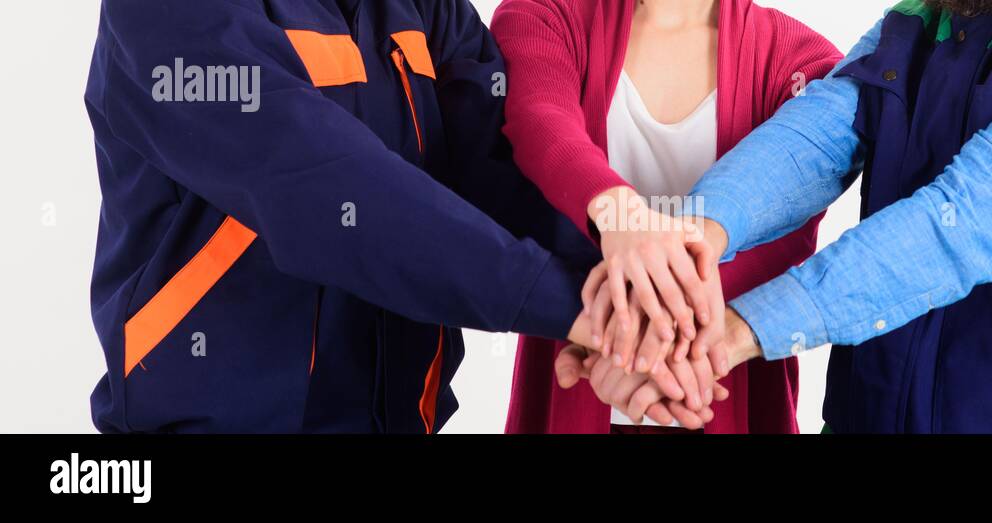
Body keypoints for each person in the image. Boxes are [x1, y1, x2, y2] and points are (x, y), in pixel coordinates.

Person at [570, 0, 992, 433]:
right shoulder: (918, 22)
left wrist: (724, 337)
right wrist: (679, 255)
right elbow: (811, 141)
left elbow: (959, 224)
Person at [84, 0, 617, 433]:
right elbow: (325, 184)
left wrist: (630, 295)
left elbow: (503, 175)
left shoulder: (425, 10)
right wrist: (581, 310)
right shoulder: (164, 11)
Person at [492, 0, 842, 433]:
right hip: (583, 377)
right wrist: (623, 218)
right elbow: (541, 121)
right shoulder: (544, 16)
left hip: (720, 387)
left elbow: (788, 232)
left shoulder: (804, 61)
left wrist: (661, 323)